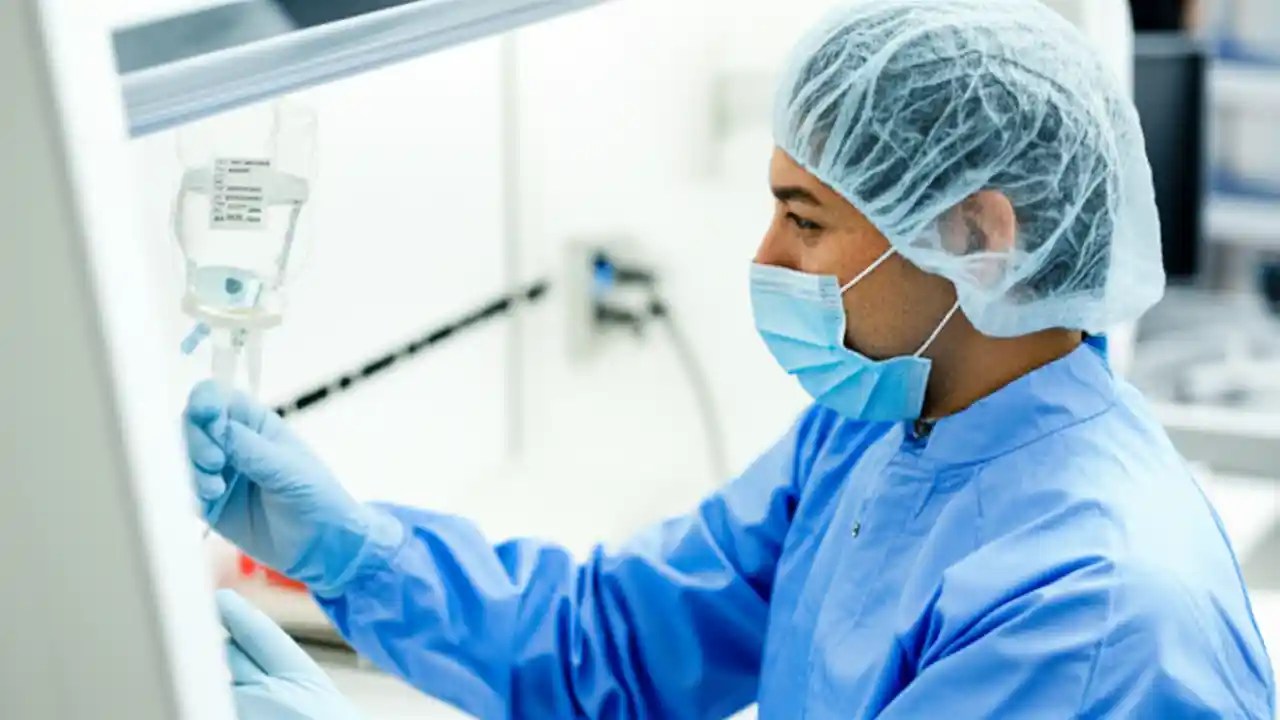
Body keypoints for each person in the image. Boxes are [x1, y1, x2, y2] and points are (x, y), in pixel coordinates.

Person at [189, 0, 1275, 717]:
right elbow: (612, 643)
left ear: (975, 235)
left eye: (802, 218)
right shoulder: (880, 430)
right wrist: (346, 550)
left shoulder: (1083, 615)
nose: (763, 257)